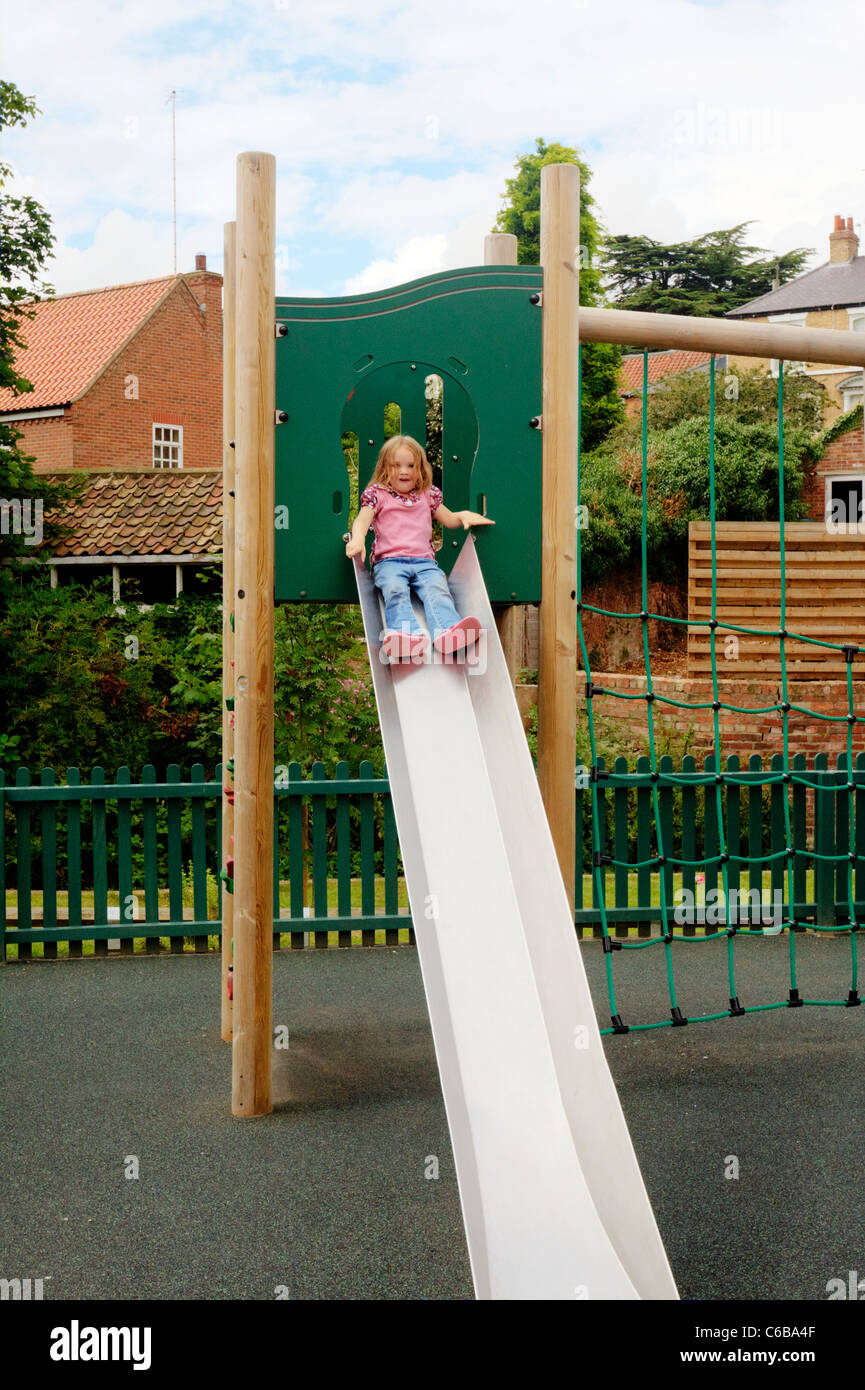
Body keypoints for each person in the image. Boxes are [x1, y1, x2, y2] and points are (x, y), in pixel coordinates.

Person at [345, 434, 494, 662]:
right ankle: (405, 634)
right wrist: (357, 540)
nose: (404, 471)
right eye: (397, 465)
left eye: (411, 465)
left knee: (438, 589)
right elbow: (362, 521)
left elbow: (449, 519)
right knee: (394, 589)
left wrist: (462, 516)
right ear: (385, 468)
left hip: (424, 563)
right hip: (389, 562)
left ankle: (446, 631)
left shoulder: (427, 495)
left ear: (420, 469)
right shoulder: (378, 495)